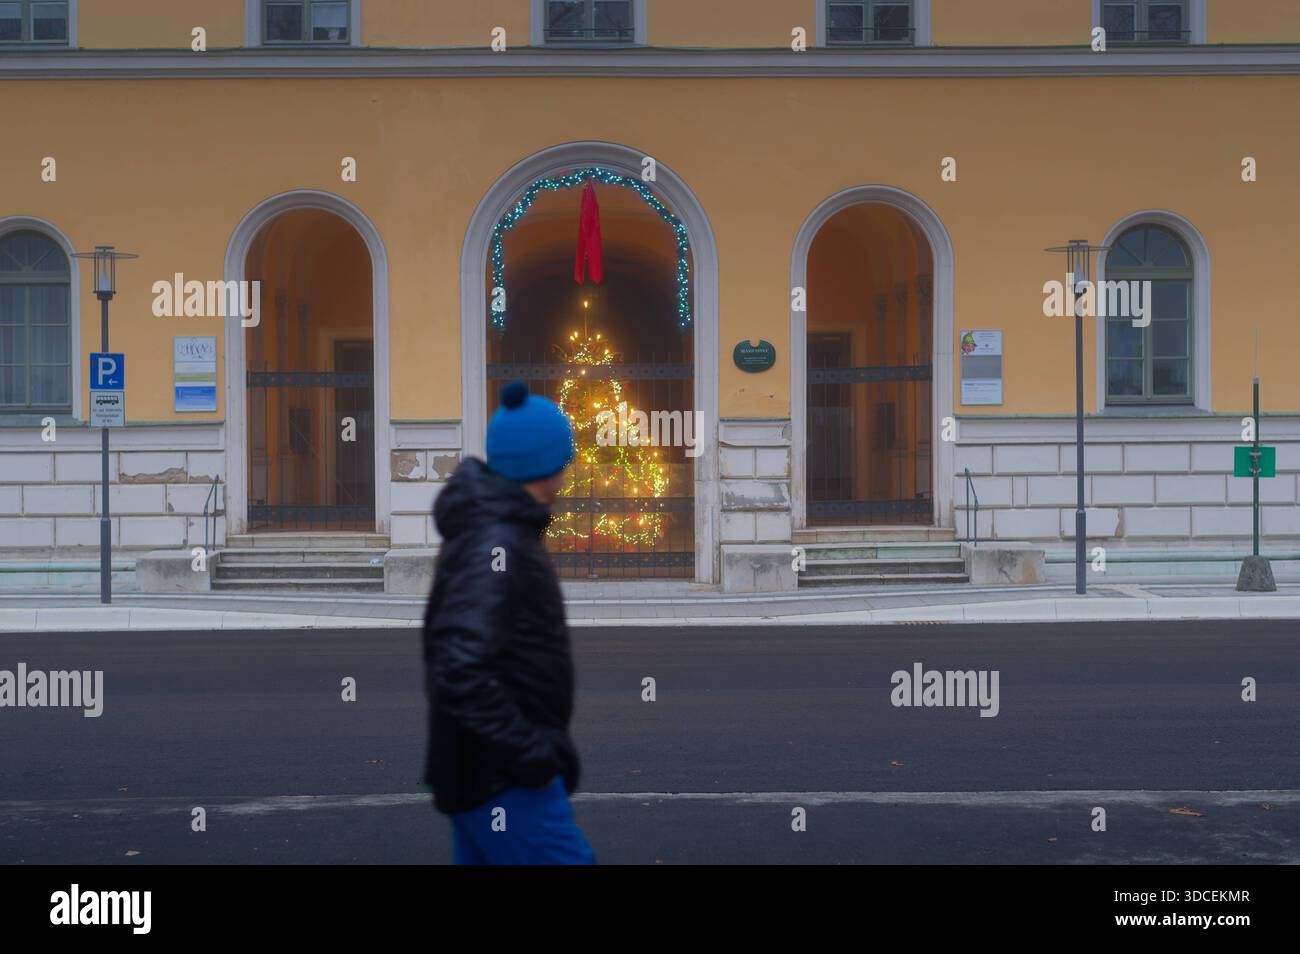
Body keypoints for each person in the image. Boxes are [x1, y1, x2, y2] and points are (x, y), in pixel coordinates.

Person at [422, 380, 596, 865]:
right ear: (547, 463)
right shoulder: (497, 543)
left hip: (482, 774)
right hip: (505, 780)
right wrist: (532, 756)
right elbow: (460, 669)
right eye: (566, 455)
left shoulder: (494, 528)